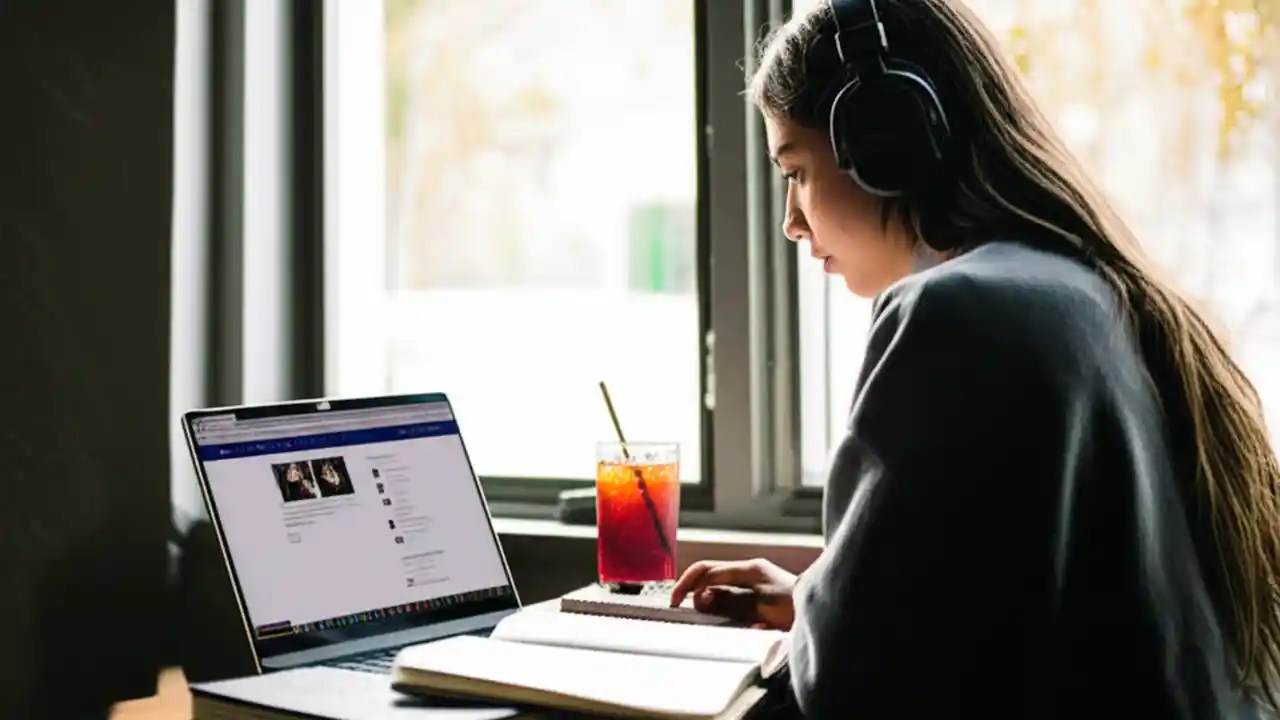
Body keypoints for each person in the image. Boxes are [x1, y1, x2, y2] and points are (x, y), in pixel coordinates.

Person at [670, 0, 1280, 717]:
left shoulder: (958, 312)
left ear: (886, 139)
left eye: (796, 169)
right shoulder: (1097, 293)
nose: (791, 221)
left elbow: (854, 687)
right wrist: (812, 602)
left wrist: (825, 629)